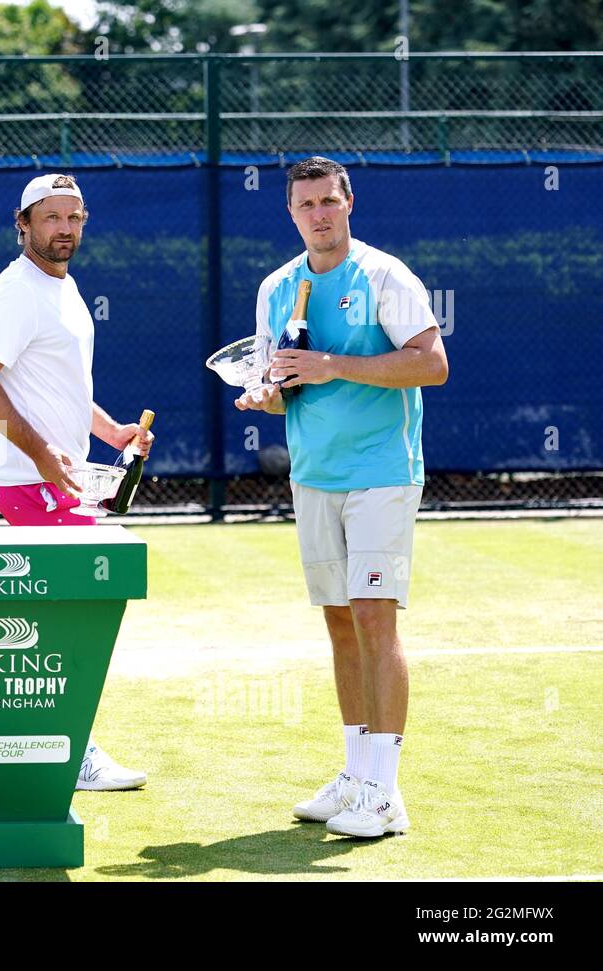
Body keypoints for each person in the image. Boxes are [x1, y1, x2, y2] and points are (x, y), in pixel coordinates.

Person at [238, 156, 449, 838]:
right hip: (313, 473)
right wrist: (268, 396)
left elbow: (431, 363)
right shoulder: (277, 287)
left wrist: (334, 365)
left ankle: (386, 793)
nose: (319, 214)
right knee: (337, 621)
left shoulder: (386, 276)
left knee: (372, 616)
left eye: (329, 201)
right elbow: (283, 390)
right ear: (291, 213)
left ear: (348, 202)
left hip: (383, 470)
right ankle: (357, 775)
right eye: (306, 205)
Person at [0, 173, 154, 792]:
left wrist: (111, 432)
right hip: (30, 481)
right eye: (51, 218)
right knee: (75, 616)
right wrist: (42, 456)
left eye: (74, 218)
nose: (64, 229)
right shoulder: (15, 291)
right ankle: (71, 752)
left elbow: (58, 385)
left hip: (58, 481)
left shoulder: (61, 287)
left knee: (62, 615)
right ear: (24, 224)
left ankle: (38, 742)